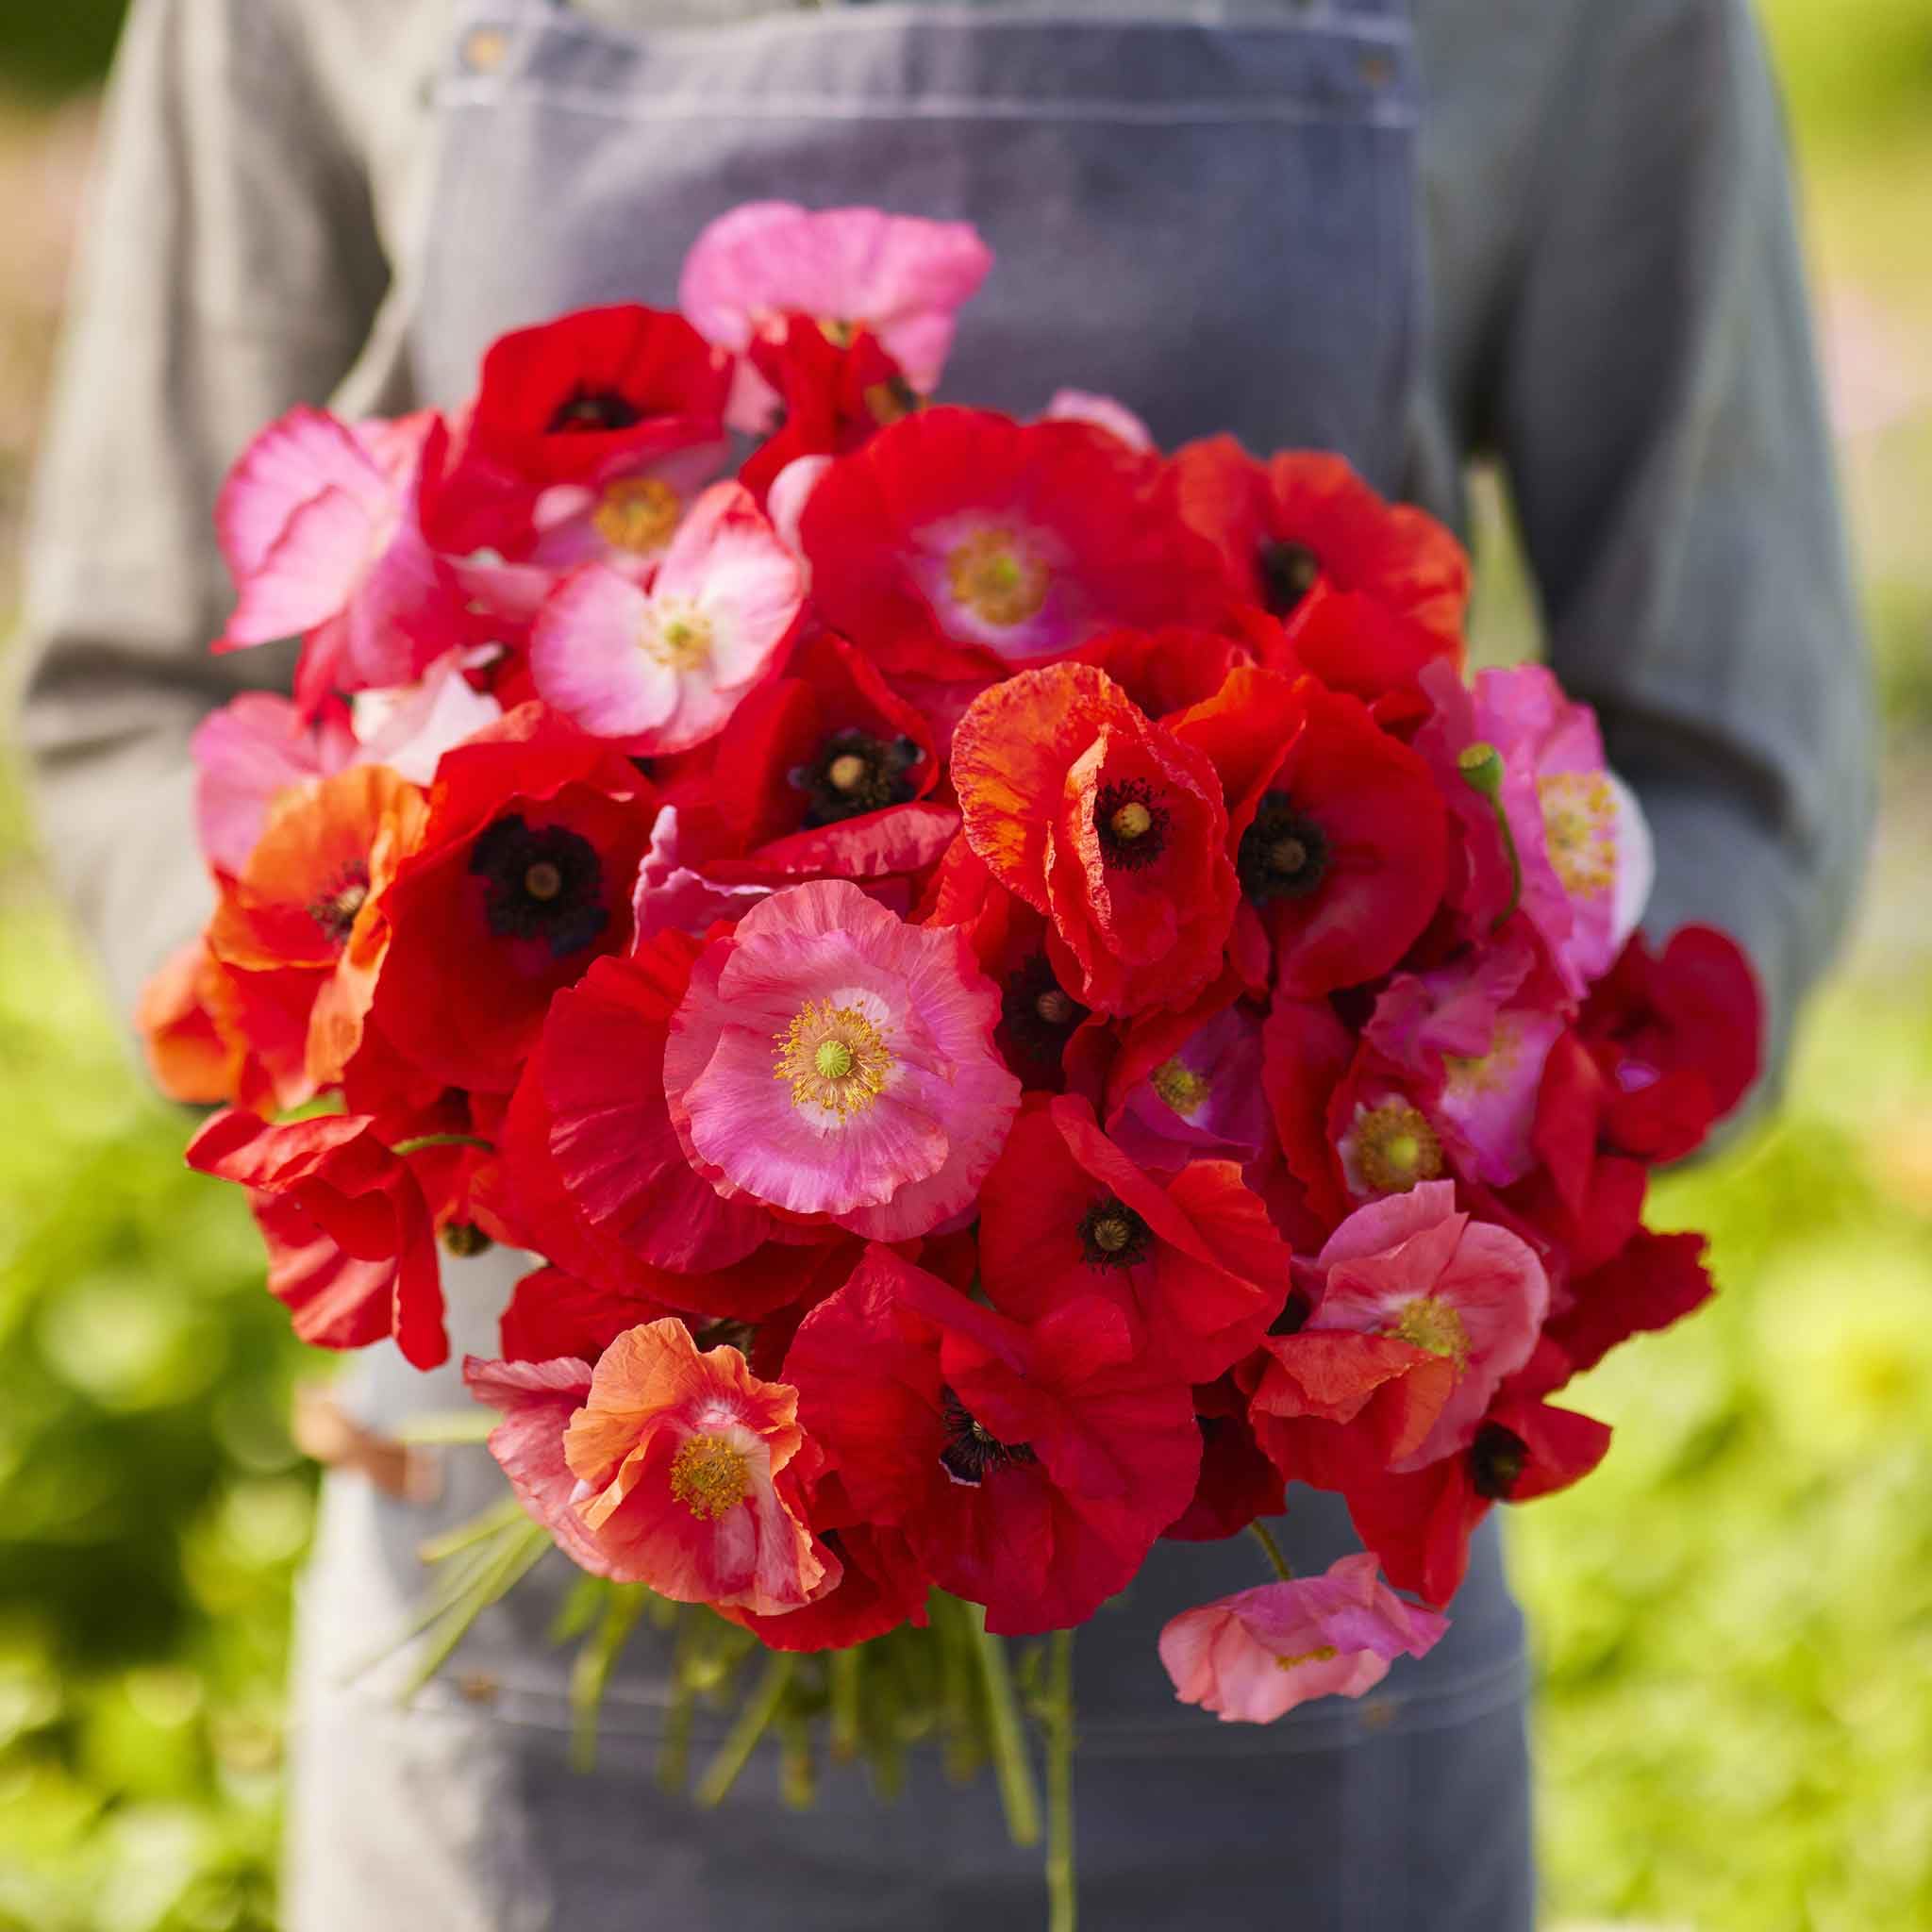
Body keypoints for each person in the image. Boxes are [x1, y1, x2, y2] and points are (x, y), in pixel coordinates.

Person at [15, 1, 1871, 1925]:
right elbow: (139, 690)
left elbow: (1737, 763)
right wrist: (474, 1170)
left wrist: (1426, 1181)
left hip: (1262, 1551)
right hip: (550, 1535)